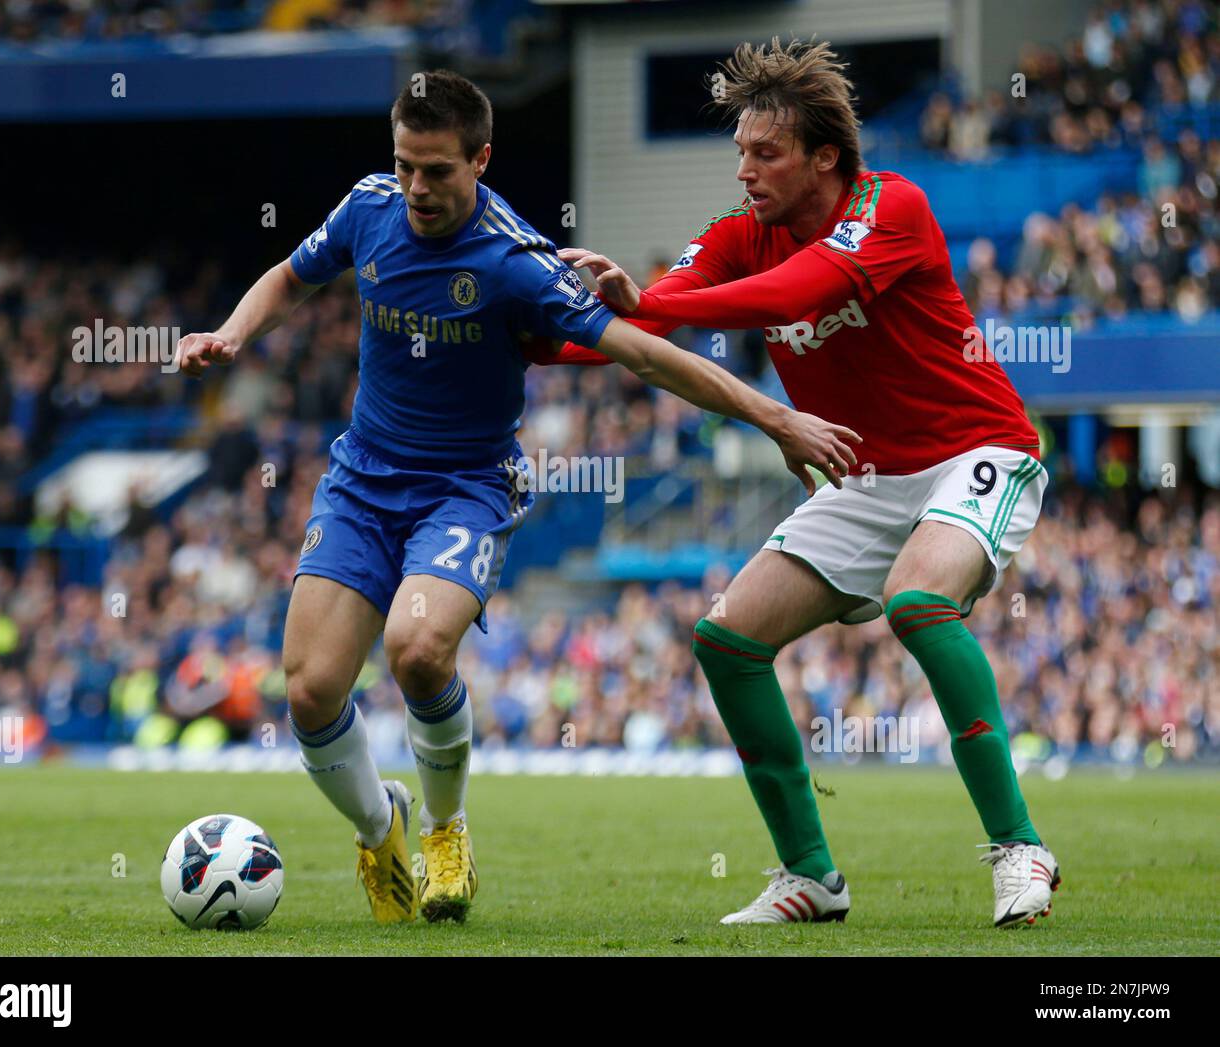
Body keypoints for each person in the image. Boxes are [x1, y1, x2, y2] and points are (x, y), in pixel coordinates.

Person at [177, 69, 858, 925]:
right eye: (404, 166)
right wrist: (231, 335)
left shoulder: (515, 260)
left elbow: (645, 354)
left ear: (482, 160)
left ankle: (445, 826)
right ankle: (379, 825)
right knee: (310, 690)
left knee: (417, 647)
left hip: (463, 490)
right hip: (360, 484)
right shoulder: (368, 208)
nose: (416, 189)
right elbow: (288, 275)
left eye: (437, 171)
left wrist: (773, 418)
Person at [556, 38, 1060, 929]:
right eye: (740, 152)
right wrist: (527, 322)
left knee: (916, 601)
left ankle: (1020, 846)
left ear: (825, 156)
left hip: (976, 450)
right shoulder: (735, 233)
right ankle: (811, 874)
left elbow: (791, 295)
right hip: (864, 475)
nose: (746, 170)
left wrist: (645, 307)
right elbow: (644, 318)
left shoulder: (889, 205)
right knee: (727, 638)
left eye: (767, 153)